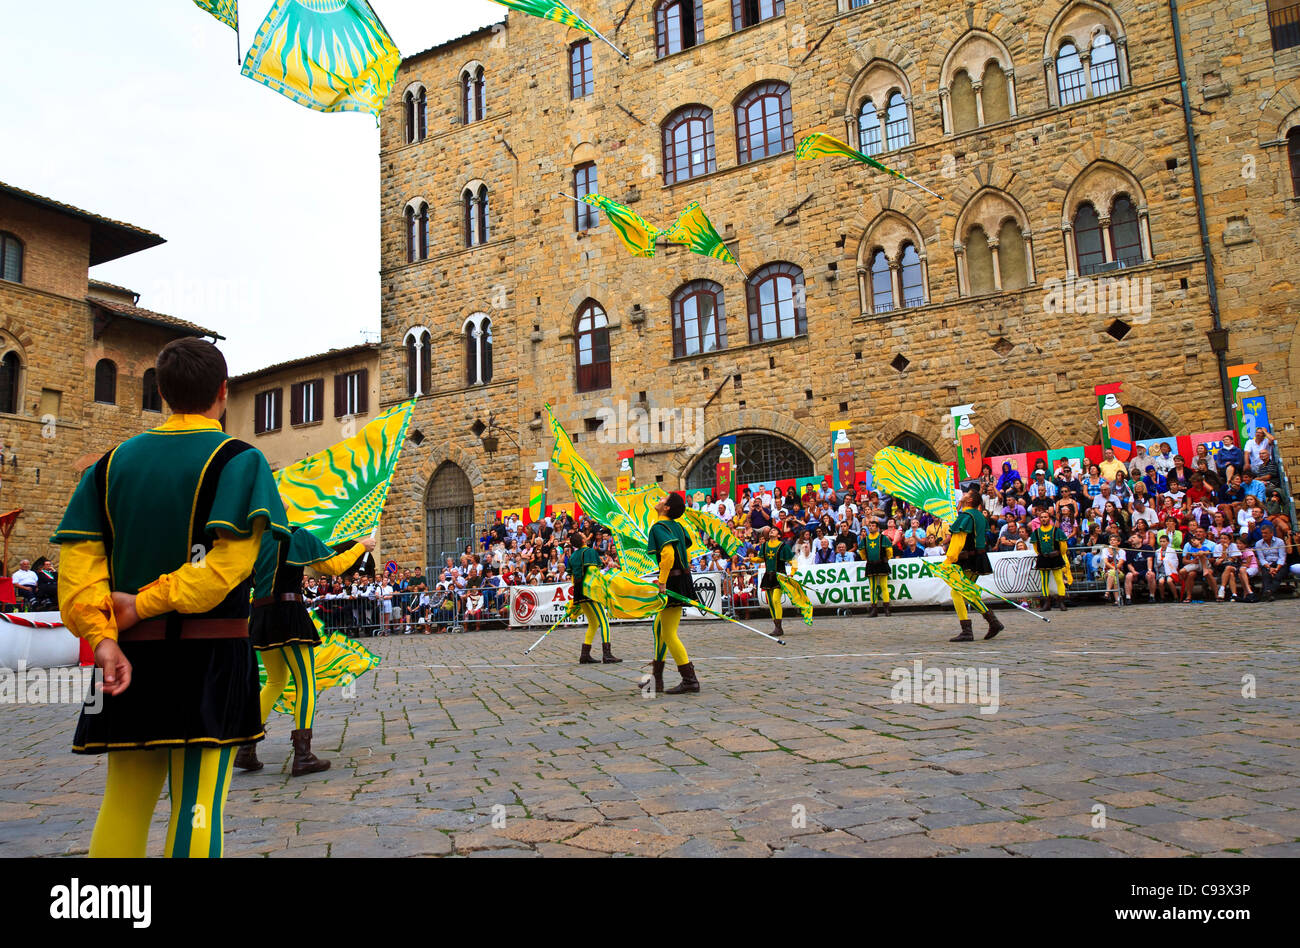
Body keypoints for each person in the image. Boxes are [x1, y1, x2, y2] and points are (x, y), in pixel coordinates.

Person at [51, 338, 290, 858]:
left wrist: (104, 637)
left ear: (160, 392)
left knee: (123, 803)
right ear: (223, 392)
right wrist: (145, 603)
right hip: (208, 659)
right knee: (197, 806)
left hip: (128, 657)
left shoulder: (109, 465)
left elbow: (79, 572)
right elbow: (223, 568)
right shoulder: (240, 461)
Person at [237, 528, 372, 775]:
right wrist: (361, 546)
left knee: (276, 681)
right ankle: (303, 755)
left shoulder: (252, 540)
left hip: (261, 614)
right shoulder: (295, 534)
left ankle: (246, 747)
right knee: (305, 682)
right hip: (288, 611)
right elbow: (335, 565)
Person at [647, 492, 699, 694]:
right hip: (681, 577)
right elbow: (685, 546)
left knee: (668, 633)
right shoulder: (677, 526)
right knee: (659, 628)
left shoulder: (659, 527)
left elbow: (668, 554)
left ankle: (690, 680)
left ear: (667, 508)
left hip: (673, 580)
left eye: (663, 499)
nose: (659, 499)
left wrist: (662, 582)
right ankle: (657, 679)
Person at [945, 484, 1005, 642]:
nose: (963, 494)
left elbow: (957, 541)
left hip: (969, 560)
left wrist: (948, 560)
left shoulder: (966, 517)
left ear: (970, 499)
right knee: (968, 591)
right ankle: (993, 622)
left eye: (966, 493)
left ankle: (967, 631)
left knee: (957, 592)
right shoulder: (979, 516)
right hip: (978, 557)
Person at [569, 530, 619, 665]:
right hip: (589, 590)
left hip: (578, 591)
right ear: (583, 540)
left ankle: (584, 655)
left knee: (593, 623)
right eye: (584, 535)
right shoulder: (590, 552)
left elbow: (572, 576)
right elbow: (592, 572)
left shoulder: (573, 555)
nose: (586, 536)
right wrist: (607, 570)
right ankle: (607, 654)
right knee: (604, 621)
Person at [756, 526, 797, 638]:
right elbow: (760, 559)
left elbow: (793, 560)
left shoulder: (783, 546)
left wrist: (792, 573)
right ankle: (777, 627)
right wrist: (749, 559)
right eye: (770, 530)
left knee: (775, 600)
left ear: (779, 535)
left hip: (779, 576)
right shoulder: (764, 546)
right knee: (770, 602)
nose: (771, 531)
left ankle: (778, 627)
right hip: (768, 576)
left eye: (774, 530)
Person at [1030, 511, 1070, 612]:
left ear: (1049, 518)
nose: (1044, 519)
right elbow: (1035, 547)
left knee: (1059, 579)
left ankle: (1061, 602)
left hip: (1055, 557)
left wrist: (1058, 553)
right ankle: (1046, 603)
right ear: (1039, 519)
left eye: (1046, 517)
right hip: (1043, 558)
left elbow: (1063, 545)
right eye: (1042, 517)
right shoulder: (1036, 532)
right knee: (1044, 581)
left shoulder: (1057, 531)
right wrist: (1042, 554)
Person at [859, 518, 894, 618]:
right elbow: (861, 551)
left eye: (873, 526)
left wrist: (886, 558)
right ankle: (874, 609)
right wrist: (866, 559)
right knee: (872, 588)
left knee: (884, 586)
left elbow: (889, 550)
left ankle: (887, 608)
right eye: (869, 526)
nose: (871, 527)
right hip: (871, 565)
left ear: (877, 528)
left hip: (882, 564)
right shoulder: (865, 540)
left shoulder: (883, 538)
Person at [1254, 522, 1287, 601]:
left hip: (1279, 564)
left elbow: (1282, 557)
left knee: (1277, 576)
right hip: (1267, 564)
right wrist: (1270, 568)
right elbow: (1261, 559)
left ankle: (1268, 591)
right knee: (1266, 575)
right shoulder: (1259, 543)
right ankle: (1269, 593)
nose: (1264, 535)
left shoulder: (1280, 542)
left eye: (1266, 533)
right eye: (1262, 533)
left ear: (1271, 533)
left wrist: (1276, 569)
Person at [1100, 535, 1126, 605]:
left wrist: (1115, 569)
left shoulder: (1122, 551)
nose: (1112, 541)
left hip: (1119, 572)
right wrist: (1115, 569)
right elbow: (1106, 562)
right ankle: (1117, 600)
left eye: (1114, 540)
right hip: (1106, 572)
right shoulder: (1105, 550)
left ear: (1118, 542)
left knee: (1112, 573)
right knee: (1113, 575)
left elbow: (1120, 563)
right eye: (1111, 540)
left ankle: (1107, 592)